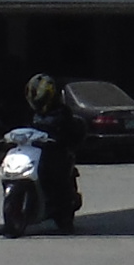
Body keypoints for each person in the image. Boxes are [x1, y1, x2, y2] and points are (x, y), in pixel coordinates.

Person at [21, 72, 86, 231]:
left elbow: (69, 131)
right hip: (35, 152)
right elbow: (23, 127)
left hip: (56, 153)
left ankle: (63, 212)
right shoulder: (32, 114)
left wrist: (59, 137)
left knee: (57, 177)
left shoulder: (62, 112)